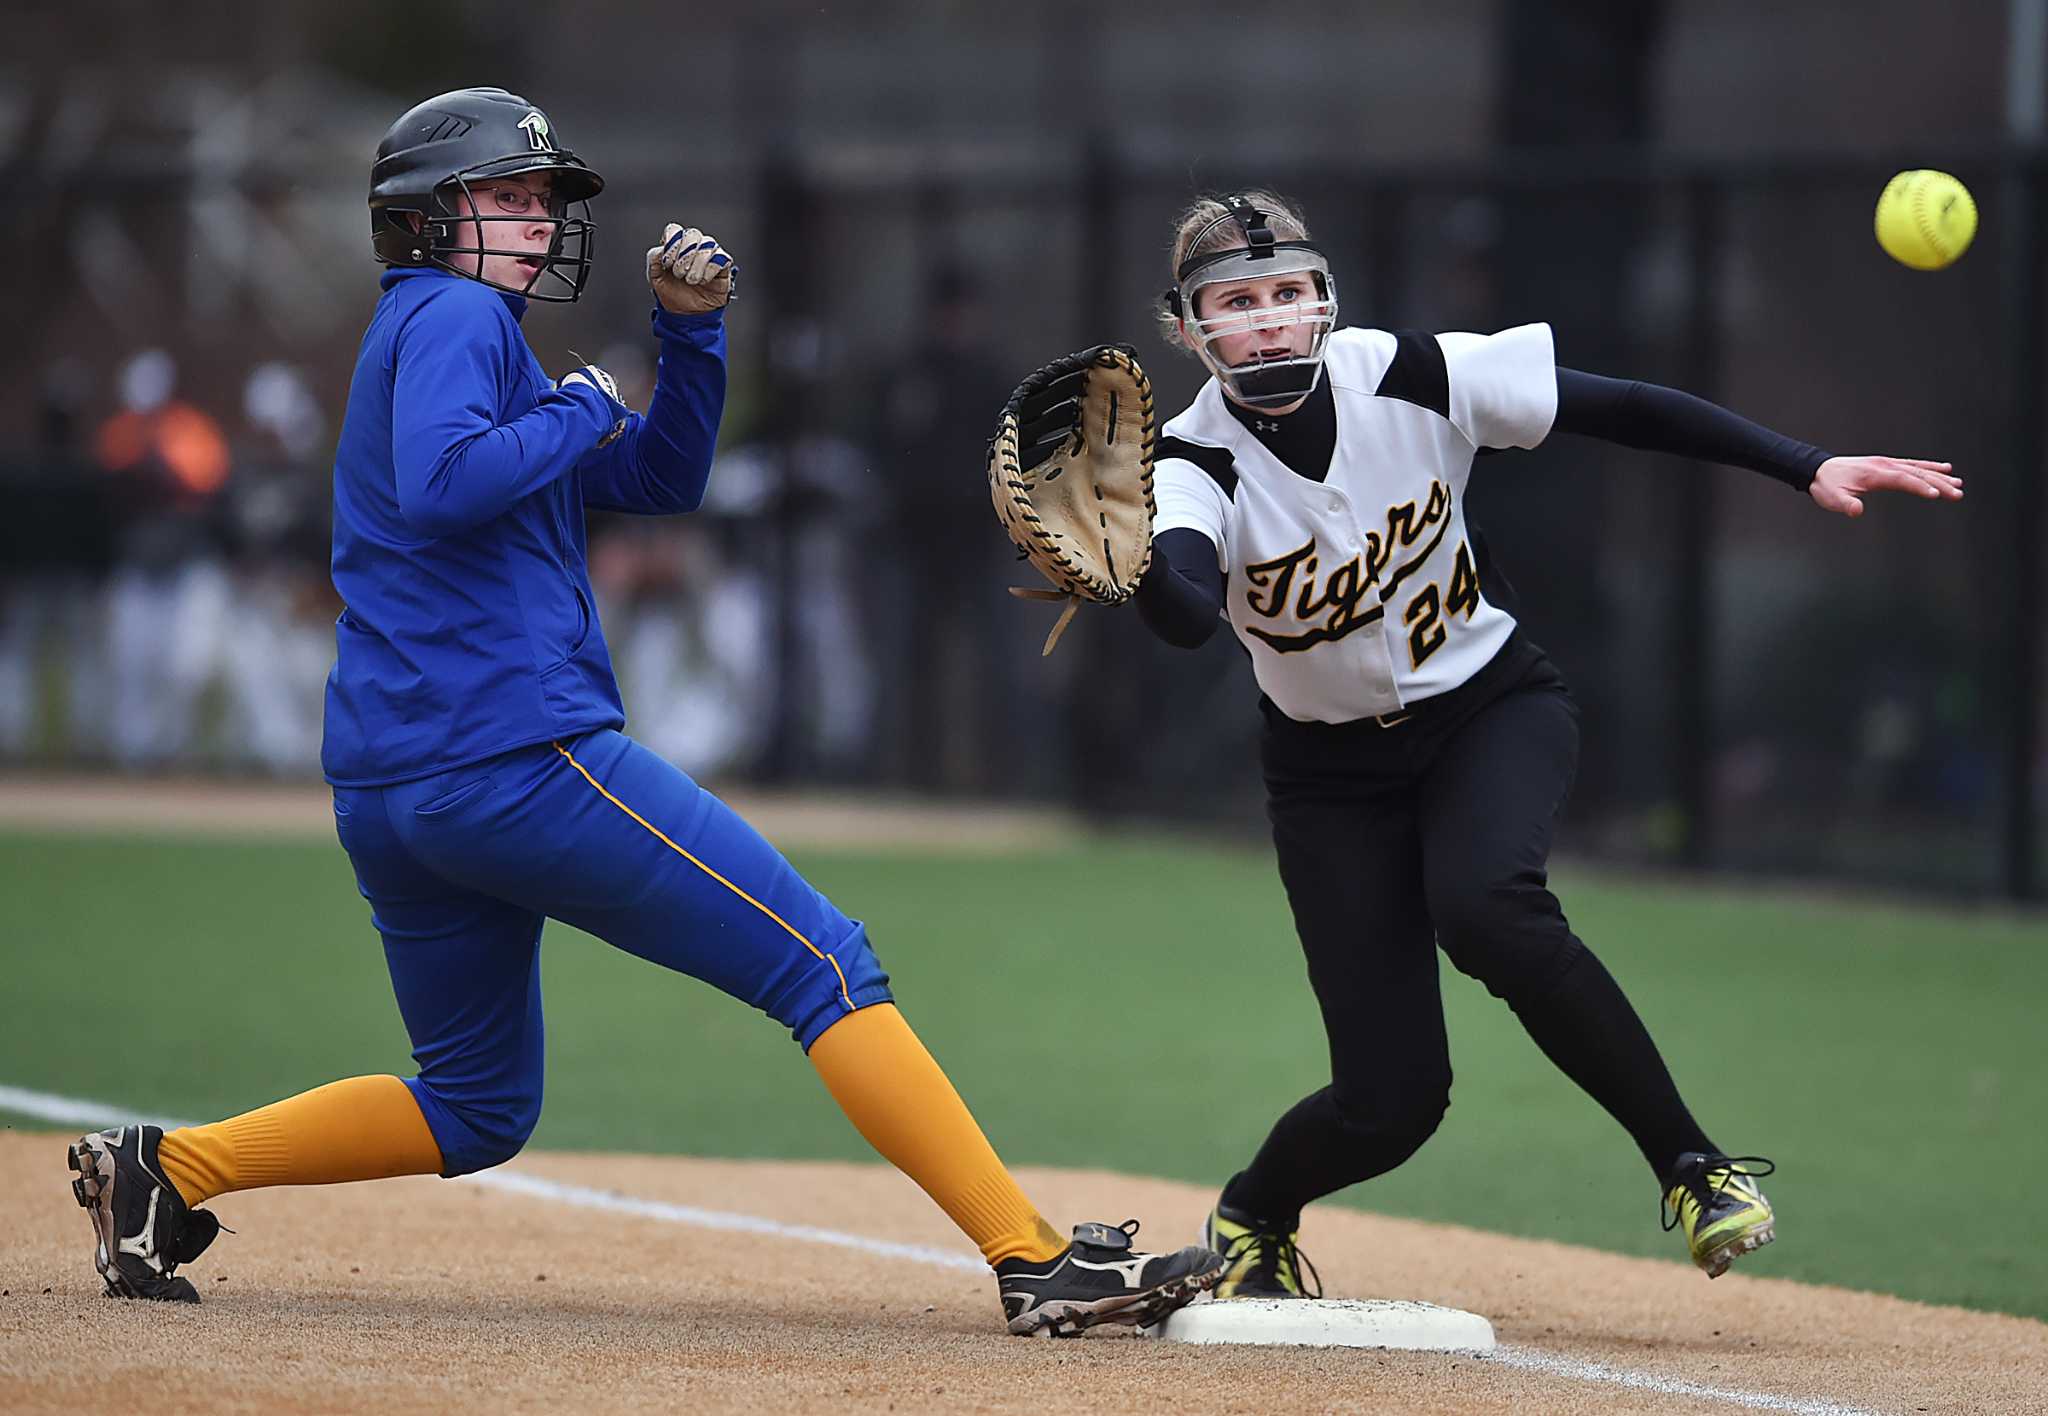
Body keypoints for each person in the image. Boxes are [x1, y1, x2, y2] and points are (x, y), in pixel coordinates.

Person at [64, 86, 1220, 1339]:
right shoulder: (453, 313)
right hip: (510, 755)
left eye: (538, 199)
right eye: (507, 196)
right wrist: (578, 403)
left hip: (398, 786)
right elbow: (452, 486)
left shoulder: (438, 333)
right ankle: (1030, 1257)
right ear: (429, 215)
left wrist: (691, 341)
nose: (535, 217)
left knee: (475, 1104)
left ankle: (169, 1172)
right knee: (822, 961)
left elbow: (658, 476)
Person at [1134, 192, 1962, 1298]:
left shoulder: (1403, 372)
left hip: (1487, 704)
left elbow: (1620, 407)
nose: (1273, 320)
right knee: (1389, 1102)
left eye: (1289, 292)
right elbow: (1187, 610)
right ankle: (1254, 1211)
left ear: (1323, 299)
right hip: (1328, 777)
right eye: (1237, 302)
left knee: (1488, 907)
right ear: (1190, 331)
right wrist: (1132, 563)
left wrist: (1801, 462)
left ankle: (1692, 1167)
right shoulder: (1193, 463)